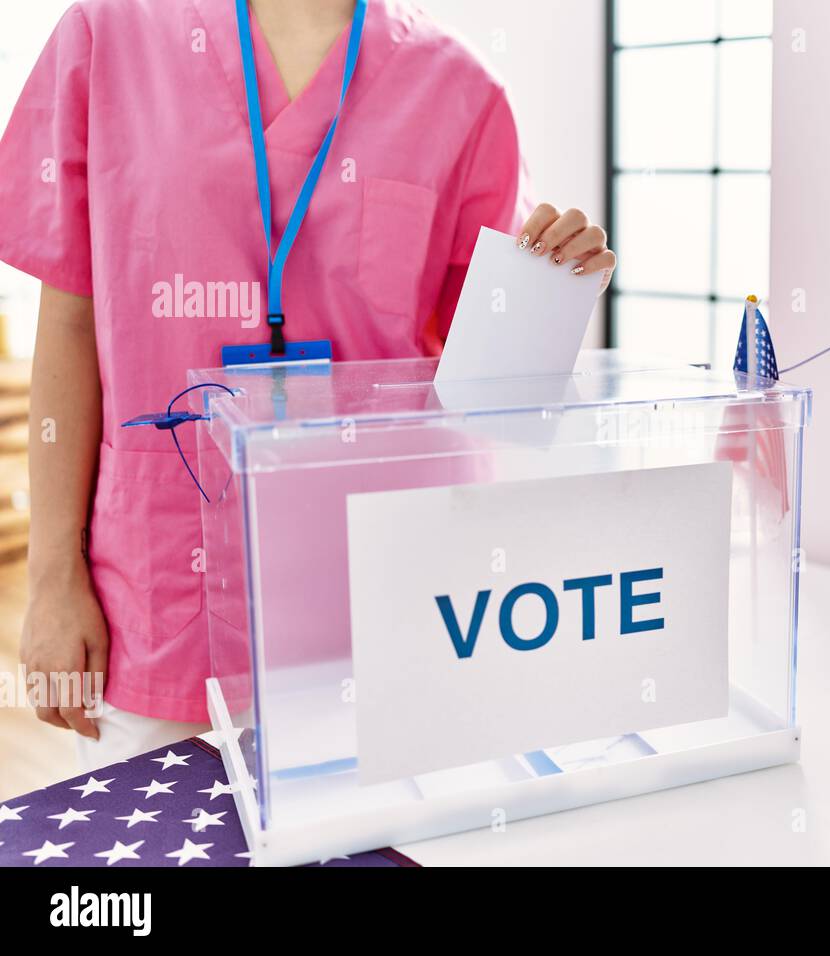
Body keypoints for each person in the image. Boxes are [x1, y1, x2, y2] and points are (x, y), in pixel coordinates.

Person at [0, 0, 615, 768]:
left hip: (386, 599)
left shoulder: (461, 88)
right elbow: (68, 322)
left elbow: (484, 387)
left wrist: (547, 291)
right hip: (163, 604)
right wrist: (53, 579)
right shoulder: (109, 33)